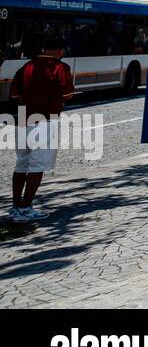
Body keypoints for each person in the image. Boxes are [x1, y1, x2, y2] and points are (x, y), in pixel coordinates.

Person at [8, 37, 75, 221]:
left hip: (22, 119)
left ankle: (15, 207)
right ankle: (27, 207)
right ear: (59, 51)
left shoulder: (26, 67)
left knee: (21, 163)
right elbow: (68, 93)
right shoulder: (60, 67)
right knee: (37, 165)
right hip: (45, 119)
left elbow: (15, 95)